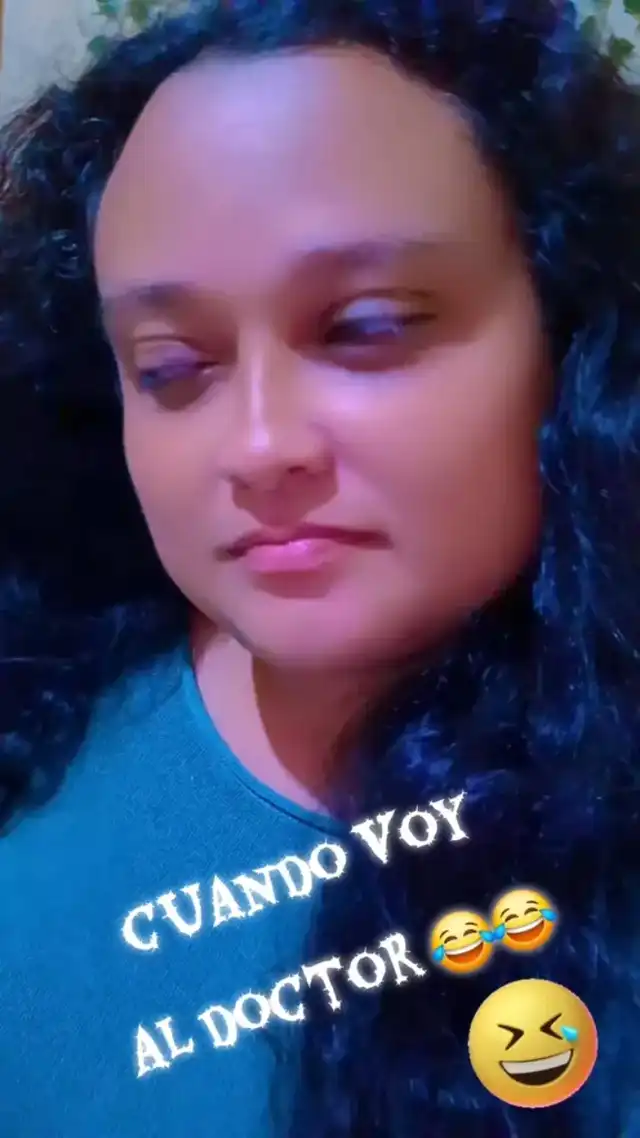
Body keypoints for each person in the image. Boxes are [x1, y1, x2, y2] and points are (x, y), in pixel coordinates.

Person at [1, 1, 639, 1135]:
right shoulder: (42, 718)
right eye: (171, 367)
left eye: (367, 327)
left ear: (567, 330)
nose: (258, 446)